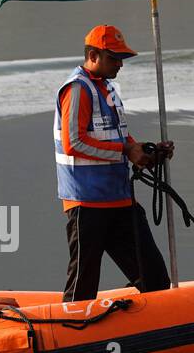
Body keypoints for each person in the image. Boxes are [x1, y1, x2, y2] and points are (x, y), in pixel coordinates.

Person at [55, 25, 174, 302]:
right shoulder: (77, 89)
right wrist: (126, 151)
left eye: (122, 58)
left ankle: (134, 332)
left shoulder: (107, 88)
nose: (120, 64)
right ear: (93, 55)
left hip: (119, 200)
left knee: (155, 278)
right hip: (87, 204)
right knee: (82, 287)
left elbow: (121, 137)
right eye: (114, 58)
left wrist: (148, 152)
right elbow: (75, 143)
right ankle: (72, 336)